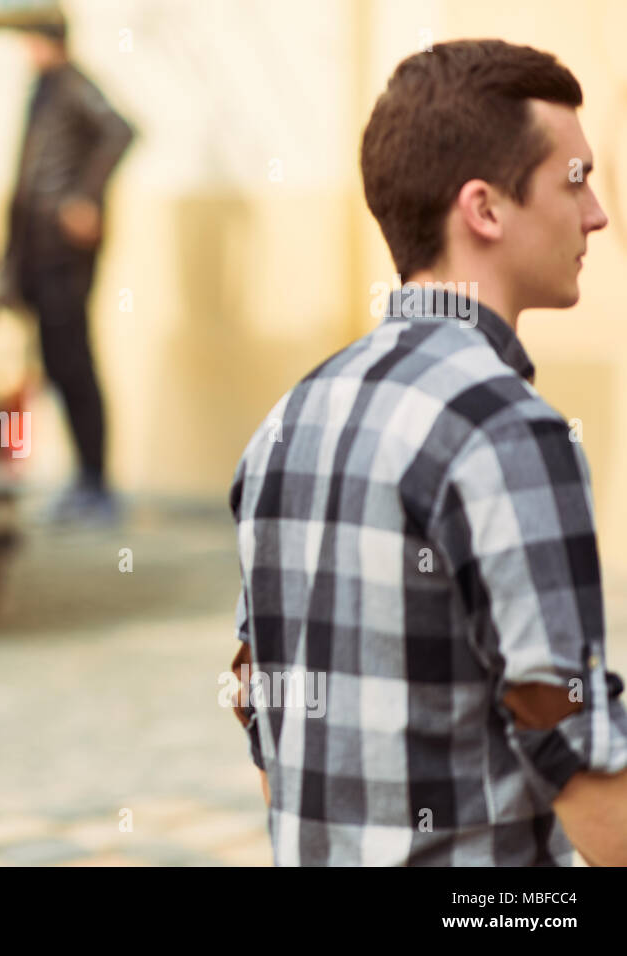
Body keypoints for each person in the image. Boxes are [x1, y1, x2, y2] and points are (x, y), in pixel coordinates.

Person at [229, 39, 627, 865]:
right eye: (576, 182)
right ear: (484, 209)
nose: (598, 215)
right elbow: (568, 733)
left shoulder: (286, 420)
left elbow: (259, 706)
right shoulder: (508, 428)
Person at [0, 20, 133, 524]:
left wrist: (86, 197)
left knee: (75, 365)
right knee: (56, 366)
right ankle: (81, 480)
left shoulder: (73, 82)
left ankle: (96, 486)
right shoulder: (44, 87)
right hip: (37, 254)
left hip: (63, 257)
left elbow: (120, 130)